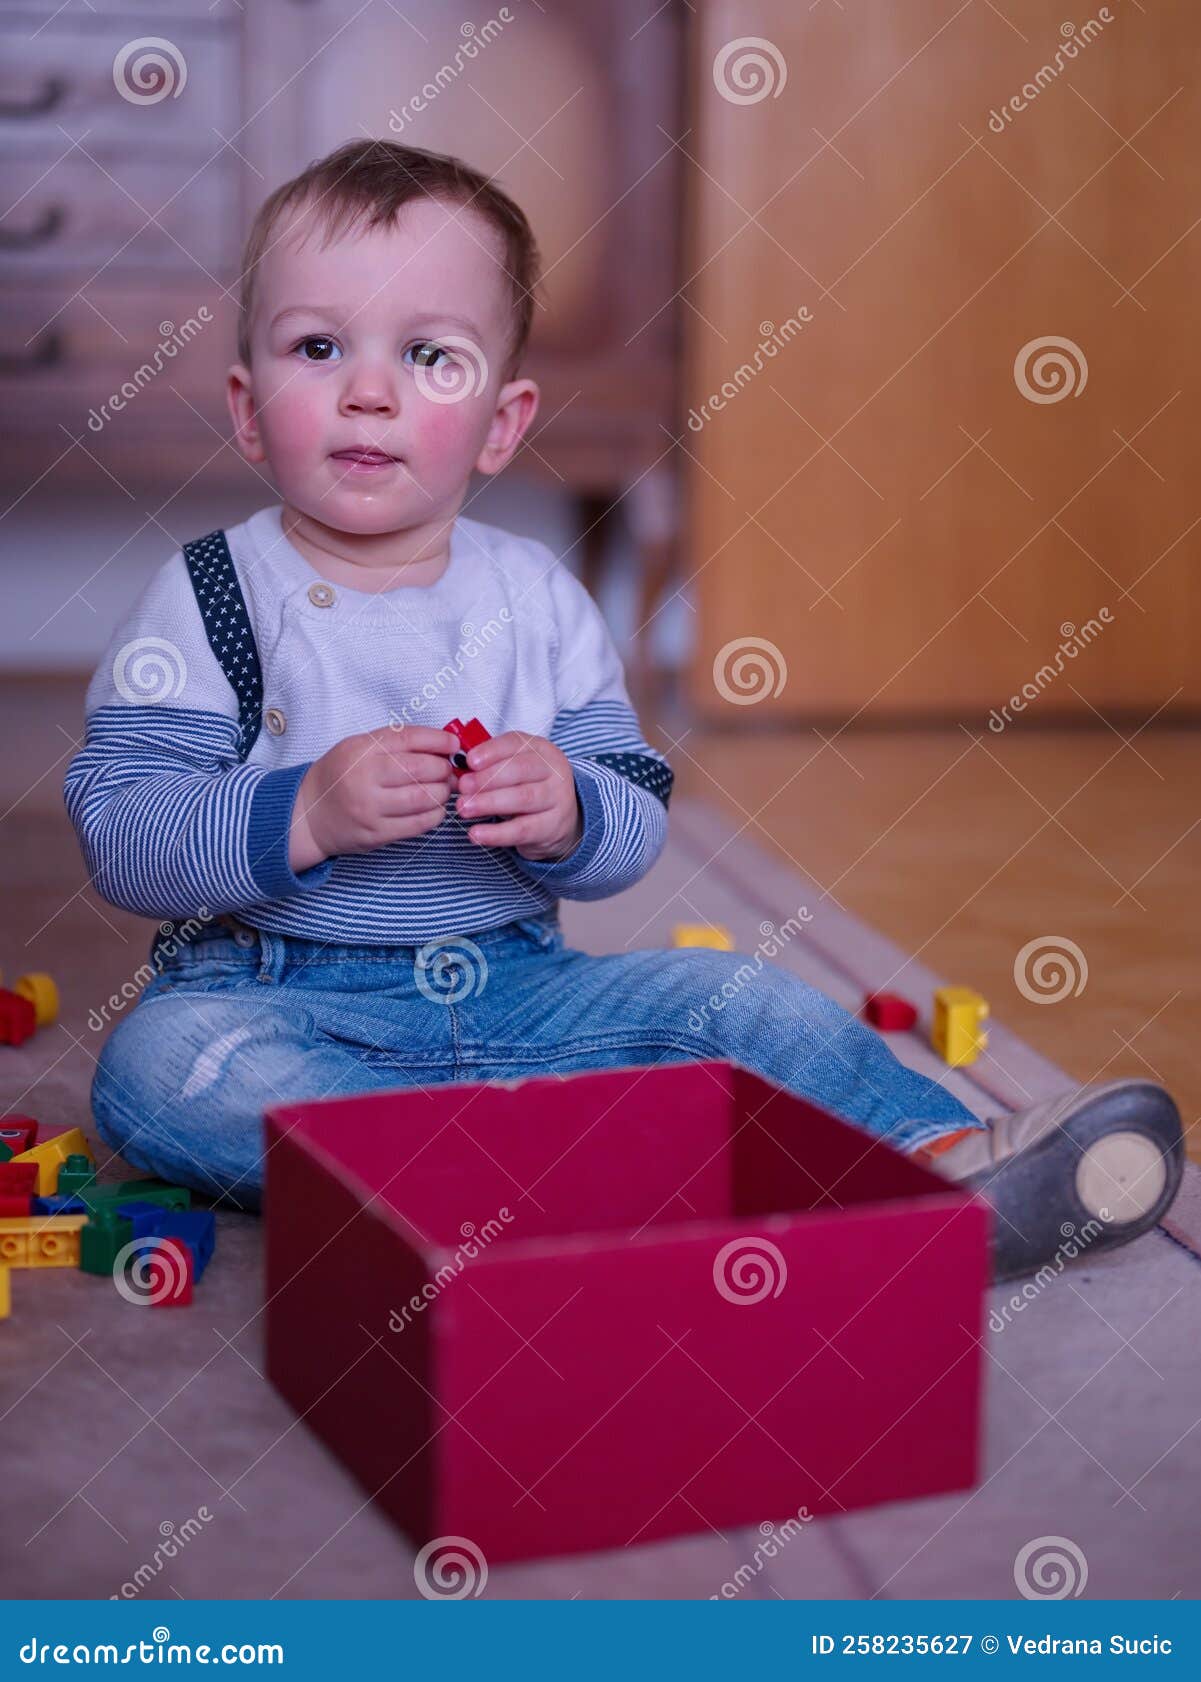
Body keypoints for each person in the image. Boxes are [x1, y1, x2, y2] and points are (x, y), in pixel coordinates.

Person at [64, 140, 1182, 1282]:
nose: (368, 389)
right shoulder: (209, 593)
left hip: (522, 996)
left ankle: (940, 1155)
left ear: (502, 423)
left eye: (429, 356)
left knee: (721, 993)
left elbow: (632, 818)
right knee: (159, 1072)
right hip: (277, 999)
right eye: (318, 347)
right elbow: (125, 833)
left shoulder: (539, 600)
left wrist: (568, 808)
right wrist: (303, 810)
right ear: (249, 410)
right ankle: (532, 1180)